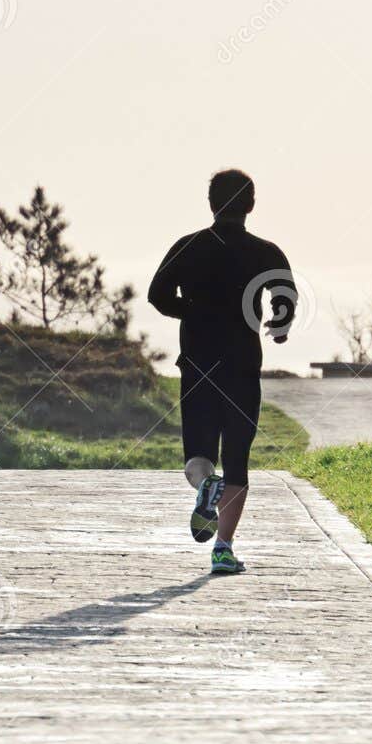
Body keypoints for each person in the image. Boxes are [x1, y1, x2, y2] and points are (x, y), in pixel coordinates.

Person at [148, 168, 295, 574]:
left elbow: (156, 295)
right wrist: (279, 328)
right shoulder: (265, 251)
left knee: (197, 454)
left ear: (211, 204)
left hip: (196, 363)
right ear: (250, 205)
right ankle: (223, 549)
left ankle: (203, 487)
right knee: (237, 459)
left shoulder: (187, 246)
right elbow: (284, 295)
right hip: (242, 366)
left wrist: (191, 311)